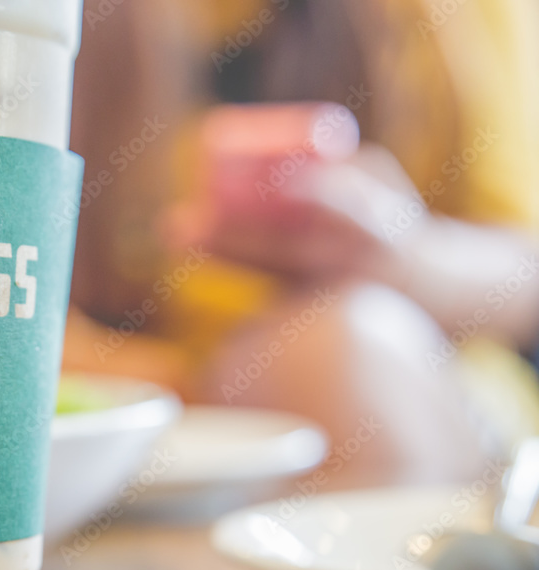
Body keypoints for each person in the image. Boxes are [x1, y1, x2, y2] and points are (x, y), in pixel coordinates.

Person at [64, 0, 539, 489]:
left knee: (338, 353)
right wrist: (182, 389)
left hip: (429, 381)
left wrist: (408, 256)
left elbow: (526, 276)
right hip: (152, 409)